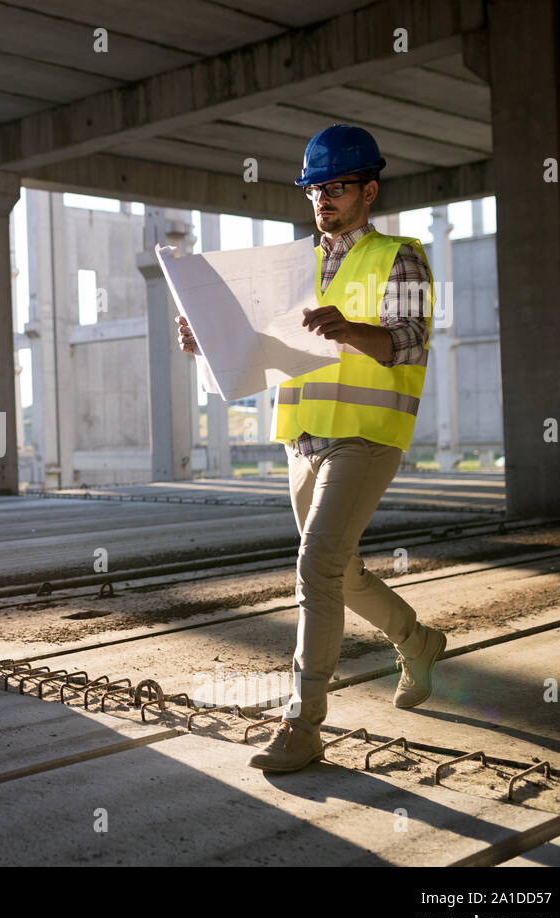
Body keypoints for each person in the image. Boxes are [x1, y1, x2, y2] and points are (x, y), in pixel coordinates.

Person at [175, 124, 447, 773]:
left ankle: (302, 723)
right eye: (314, 187)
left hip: (367, 435)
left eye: (336, 185)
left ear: (368, 190)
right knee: (341, 571)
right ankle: (418, 641)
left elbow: (408, 341)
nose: (322, 196)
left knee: (316, 568)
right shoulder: (290, 267)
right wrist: (208, 345)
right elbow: (255, 356)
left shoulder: (400, 255)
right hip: (303, 436)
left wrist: (351, 329)